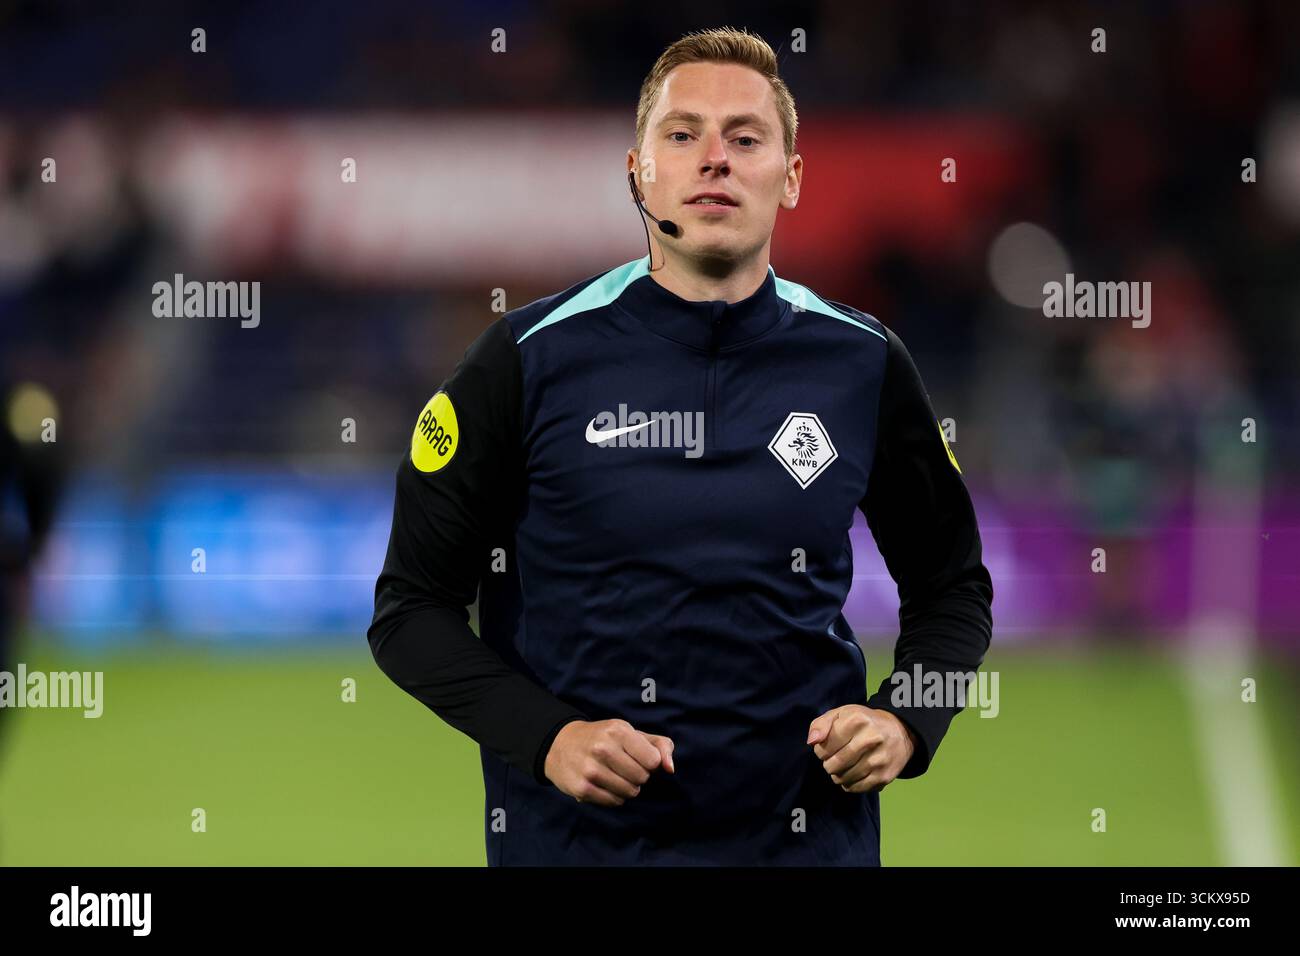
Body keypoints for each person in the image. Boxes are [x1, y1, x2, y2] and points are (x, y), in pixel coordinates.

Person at [368, 26, 993, 865]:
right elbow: (409, 613)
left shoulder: (863, 362)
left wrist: (907, 720)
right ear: (638, 170)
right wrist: (549, 737)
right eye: (682, 134)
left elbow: (953, 589)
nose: (715, 159)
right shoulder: (521, 362)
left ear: (792, 176)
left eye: (745, 138)